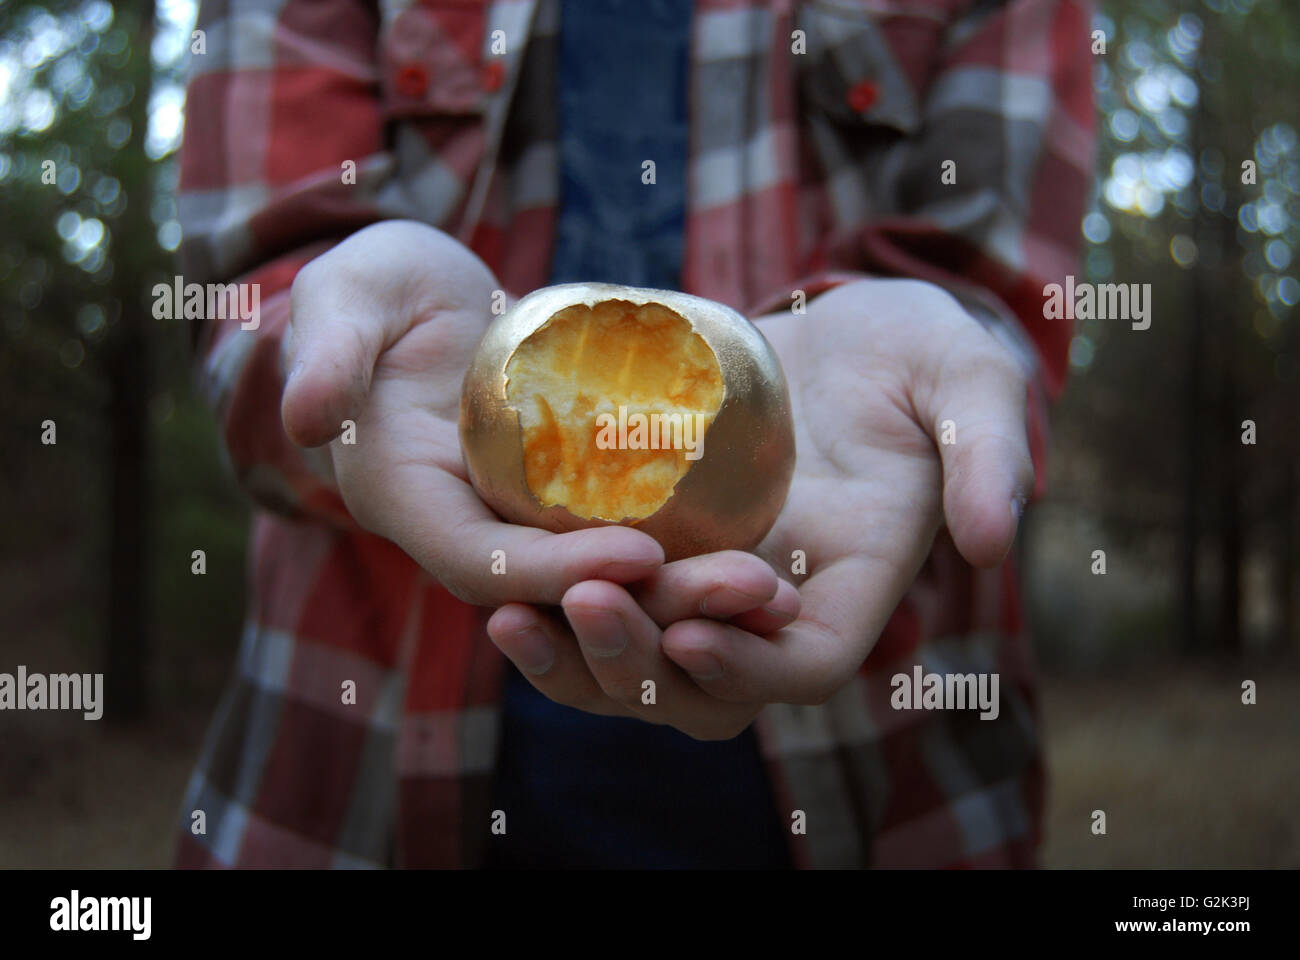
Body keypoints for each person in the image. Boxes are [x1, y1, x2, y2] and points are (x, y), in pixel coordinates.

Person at [174, 0, 1093, 868]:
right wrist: (334, 354)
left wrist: (939, 353)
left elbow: (988, 296)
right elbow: (257, 290)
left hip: (892, 782)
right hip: (348, 783)